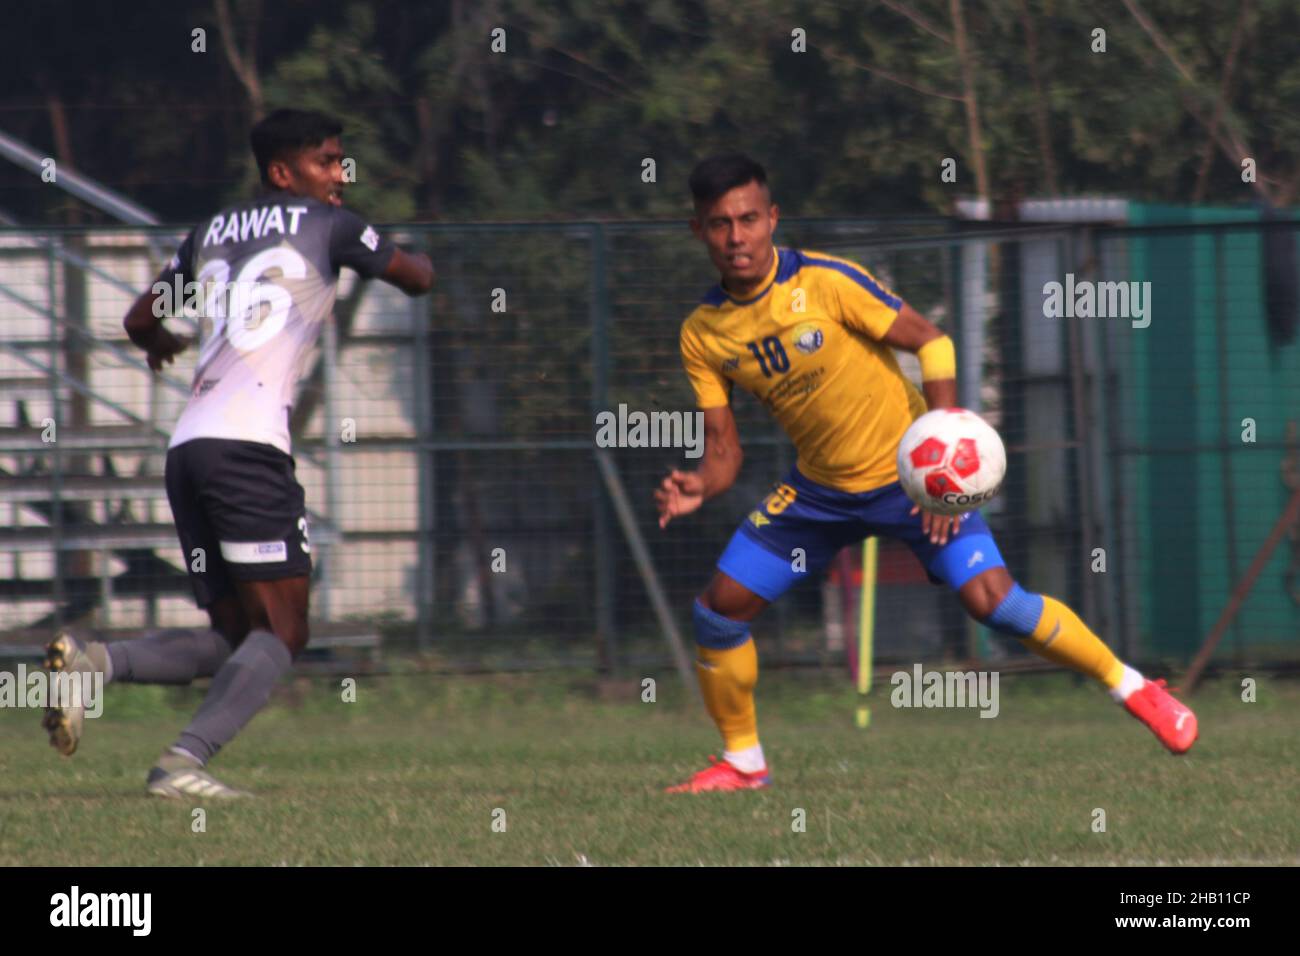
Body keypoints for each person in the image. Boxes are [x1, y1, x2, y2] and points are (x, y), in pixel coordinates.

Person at [654, 153, 1197, 793]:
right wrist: (700, 484)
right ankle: (744, 765)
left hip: (912, 483)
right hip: (818, 496)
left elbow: (932, 341)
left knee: (996, 604)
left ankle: (1134, 689)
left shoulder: (828, 282)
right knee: (719, 613)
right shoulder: (702, 333)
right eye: (719, 224)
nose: (736, 237)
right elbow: (724, 450)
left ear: (773, 219)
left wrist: (937, 458)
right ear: (699, 231)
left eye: (748, 219)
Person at [43, 108, 434, 799]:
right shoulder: (331, 224)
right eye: (327, 162)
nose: (340, 175)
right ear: (284, 172)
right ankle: (182, 764)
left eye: (343, 160)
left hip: (189, 450)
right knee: (285, 631)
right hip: (246, 451)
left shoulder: (210, 232)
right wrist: (412, 258)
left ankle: (95, 663)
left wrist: (163, 344)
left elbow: (140, 319)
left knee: (237, 634)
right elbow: (416, 278)